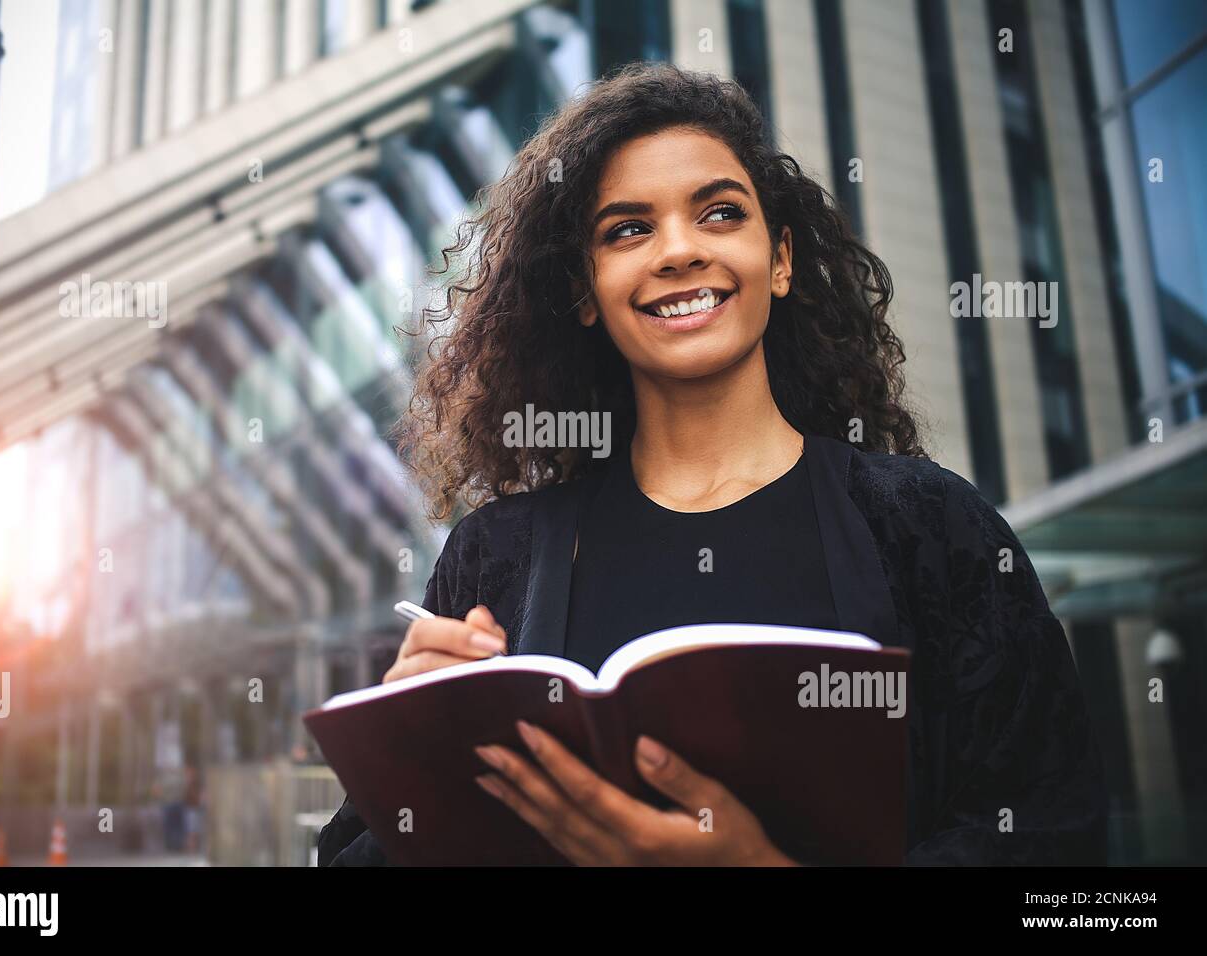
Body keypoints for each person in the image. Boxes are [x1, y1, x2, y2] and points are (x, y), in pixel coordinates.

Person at [318, 62, 1107, 866]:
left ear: (782, 259)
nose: (679, 251)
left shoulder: (931, 526)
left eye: (720, 214)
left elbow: (1057, 841)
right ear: (586, 292)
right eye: (628, 229)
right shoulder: (493, 558)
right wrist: (415, 751)